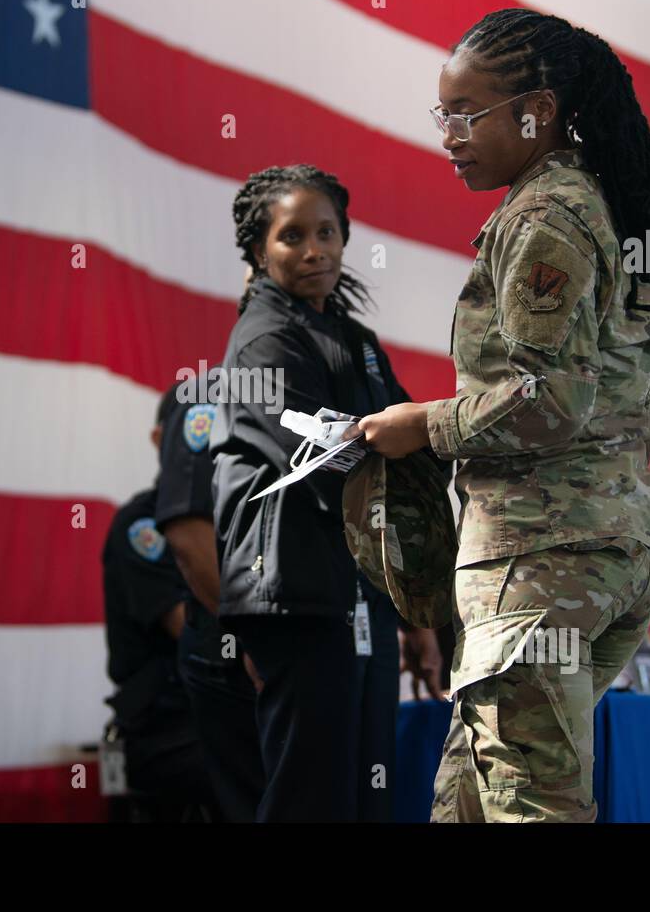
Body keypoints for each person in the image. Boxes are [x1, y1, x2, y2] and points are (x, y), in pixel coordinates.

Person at [354, 8, 650, 822]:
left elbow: (550, 402)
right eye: (444, 115)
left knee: (531, 809)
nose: (449, 134)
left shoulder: (545, 219)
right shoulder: (604, 203)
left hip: (542, 562)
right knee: (466, 803)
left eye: (467, 114)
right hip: (605, 550)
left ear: (537, 110)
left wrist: (421, 423)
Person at [210, 164, 443, 822]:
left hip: (361, 591)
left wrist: (416, 611)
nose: (314, 250)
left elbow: (414, 458)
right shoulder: (262, 341)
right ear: (260, 250)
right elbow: (327, 453)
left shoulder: (356, 340)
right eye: (292, 237)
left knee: (368, 791)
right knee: (312, 797)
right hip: (297, 601)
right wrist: (408, 432)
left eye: (326, 232)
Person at [101, 387, 217, 819]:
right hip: (165, 728)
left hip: (206, 721)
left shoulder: (228, 519)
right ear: (159, 440)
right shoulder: (141, 526)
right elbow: (188, 627)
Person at [155, 387, 265, 822]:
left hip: (281, 649)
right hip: (229, 659)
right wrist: (254, 634)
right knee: (258, 802)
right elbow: (188, 540)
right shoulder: (209, 400)